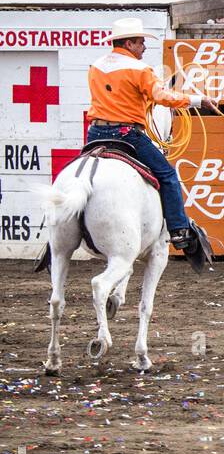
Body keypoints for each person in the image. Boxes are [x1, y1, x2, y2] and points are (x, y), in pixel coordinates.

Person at [85, 17, 214, 269]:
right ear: (130, 43)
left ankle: (55, 242)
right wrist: (198, 100)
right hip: (127, 134)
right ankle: (178, 229)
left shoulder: (95, 66)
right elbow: (161, 96)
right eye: (141, 42)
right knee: (167, 175)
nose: (144, 47)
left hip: (95, 135)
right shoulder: (140, 70)